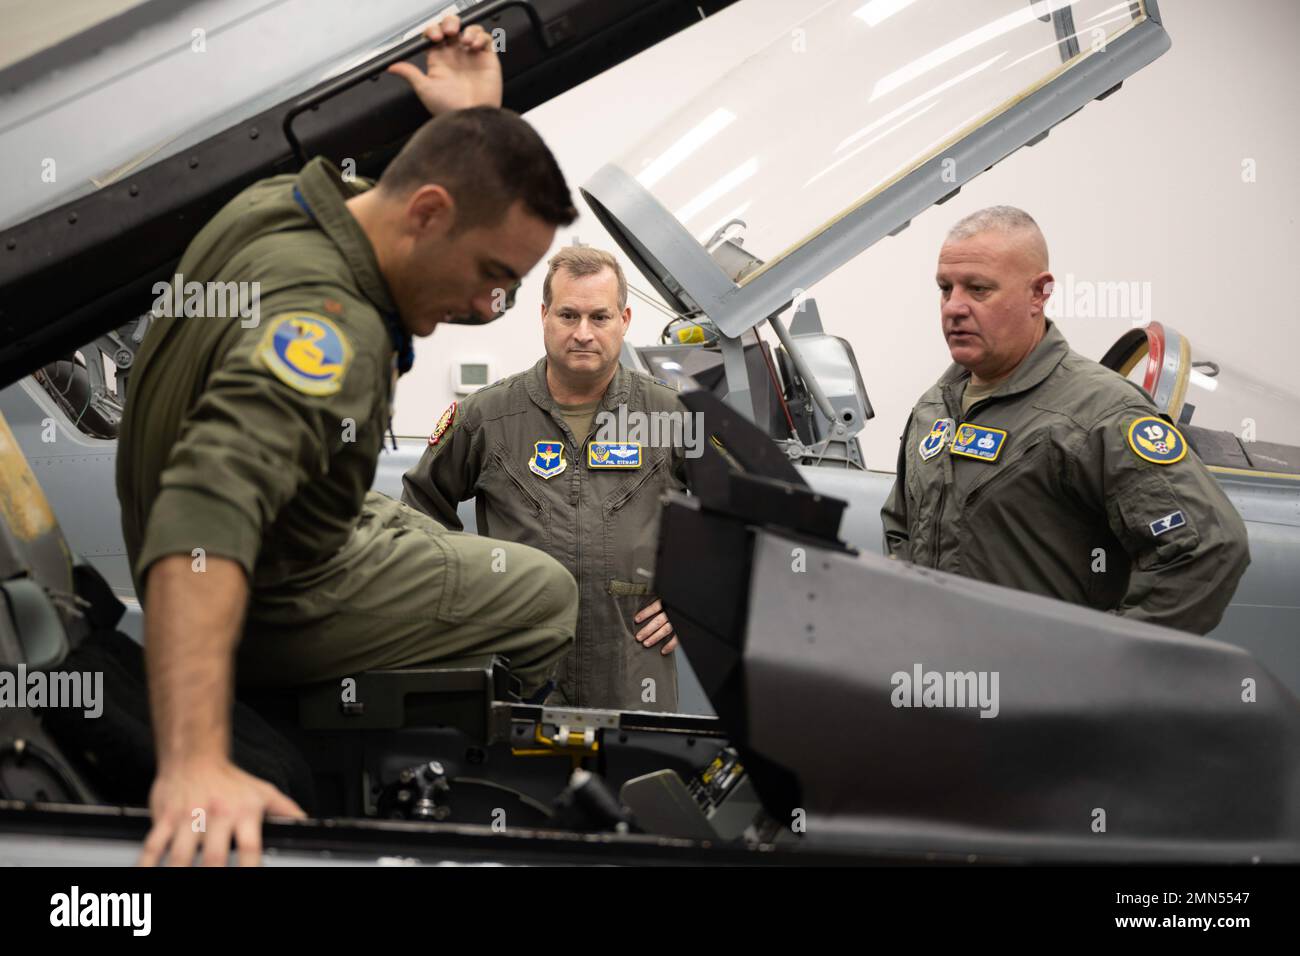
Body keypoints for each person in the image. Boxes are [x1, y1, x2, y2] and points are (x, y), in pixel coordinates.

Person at [116, 15, 579, 866]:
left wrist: (470, 124)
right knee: (543, 589)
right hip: (267, 596)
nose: (487, 309)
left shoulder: (284, 204)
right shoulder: (334, 334)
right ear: (430, 213)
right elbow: (206, 505)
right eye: (493, 277)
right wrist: (191, 762)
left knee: (425, 530)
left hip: (284, 536)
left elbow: (422, 186)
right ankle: (469, 771)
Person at [881, 205, 1250, 634]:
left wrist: (1107, 660)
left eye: (979, 290)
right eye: (946, 288)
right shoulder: (934, 409)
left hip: (1038, 694)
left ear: (1038, 294)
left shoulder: (1098, 414)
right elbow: (900, 529)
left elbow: (1208, 546)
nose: (954, 307)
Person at [402, 247, 688, 711]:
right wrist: (464, 604)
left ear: (625, 319)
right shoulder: (487, 416)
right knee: (521, 783)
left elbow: (741, 513)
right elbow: (418, 507)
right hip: (519, 673)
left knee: (633, 782)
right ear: (543, 316)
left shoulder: (670, 415)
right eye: (568, 315)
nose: (583, 333)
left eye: (600, 316)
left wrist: (696, 597)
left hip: (632, 672)